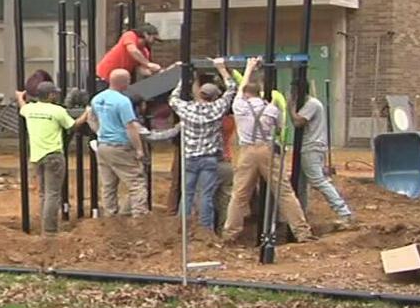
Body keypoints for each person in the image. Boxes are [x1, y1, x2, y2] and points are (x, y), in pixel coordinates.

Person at [221, 61, 315, 244]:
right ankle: (302, 232)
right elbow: (280, 130)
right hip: (267, 150)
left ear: (246, 93)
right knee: (284, 193)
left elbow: (240, 90)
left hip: (247, 151)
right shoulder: (272, 108)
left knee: (239, 195)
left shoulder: (239, 105)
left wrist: (249, 67)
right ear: (260, 91)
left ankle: (229, 234)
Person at [166, 58, 238, 234]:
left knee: (187, 193)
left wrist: (184, 76)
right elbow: (232, 89)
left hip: (190, 157)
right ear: (214, 96)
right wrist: (221, 68)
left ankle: (182, 228)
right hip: (209, 158)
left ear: (200, 94)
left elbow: (173, 98)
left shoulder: (187, 109)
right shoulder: (218, 108)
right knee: (206, 195)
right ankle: (205, 231)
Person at [16, 81, 90, 234]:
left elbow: (22, 107)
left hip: (37, 157)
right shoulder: (57, 111)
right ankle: (50, 231)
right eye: (55, 93)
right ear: (50, 95)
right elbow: (72, 126)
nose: (57, 95)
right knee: (53, 194)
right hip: (54, 155)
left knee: (44, 193)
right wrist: (86, 113)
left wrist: (19, 97)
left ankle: (45, 228)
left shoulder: (30, 109)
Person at [292, 91, 355, 228]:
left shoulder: (311, 104)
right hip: (310, 147)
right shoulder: (311, 104)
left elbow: (298, 122)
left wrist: (290, 107)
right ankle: (300, 213)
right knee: (301, 183)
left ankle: (344, 213)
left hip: (312, 148)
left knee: (318, 180)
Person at [89, 68, 148, 217]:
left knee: (108, 185)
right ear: (124, 82)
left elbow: (93, 119)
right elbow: (130, 126)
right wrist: (139, 149)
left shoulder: (97, 98)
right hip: (120, 145)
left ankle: (110, 219)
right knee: (136, 183)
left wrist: (100, 134)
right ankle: (139, 218)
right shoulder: (122, 101)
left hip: (103, 146)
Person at [96, 23, 161, 83]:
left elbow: (140, 69)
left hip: (117, 81)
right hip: (102, 77)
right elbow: (132, 50)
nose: (154, 42)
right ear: (146, 34)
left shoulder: (144, 52)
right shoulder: (130, 35)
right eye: (154, 39)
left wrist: (155, 72)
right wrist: (148, 64)